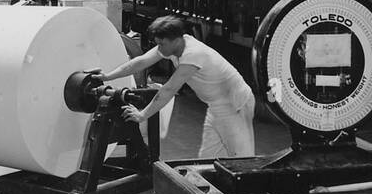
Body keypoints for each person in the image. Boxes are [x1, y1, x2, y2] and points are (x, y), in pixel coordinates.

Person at [95, 15, 257, 158]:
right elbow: (140, 62)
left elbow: (169, 89)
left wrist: (142, 115)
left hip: (235, 104)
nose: (159, 48)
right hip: (216, 106)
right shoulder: (172, 47)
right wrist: (107, 76)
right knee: (208, 159)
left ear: (176, 39)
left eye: (162, 44)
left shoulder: (193, 54)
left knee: (242, 160)